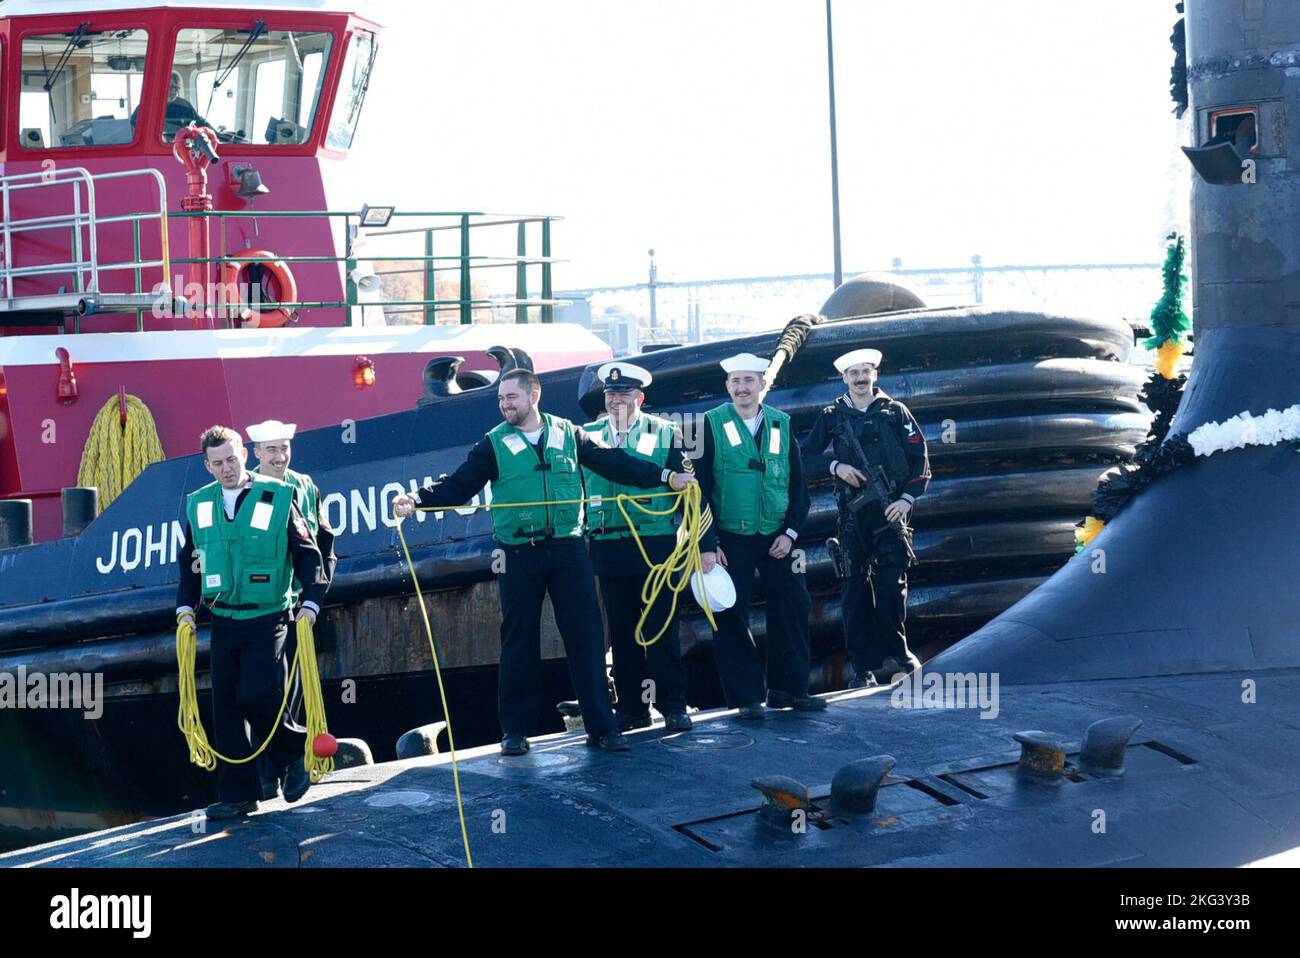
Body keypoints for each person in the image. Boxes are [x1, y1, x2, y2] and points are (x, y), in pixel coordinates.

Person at [392, 369, 697, 755]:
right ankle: (515, 732)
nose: (505, 405)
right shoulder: (493, 444)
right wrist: (417, 499)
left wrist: (666, 476)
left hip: (569, 549)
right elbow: (460, 485)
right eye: (501, 399)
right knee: (519, 641)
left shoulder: (569, 434)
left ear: (533, 396)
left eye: (511, 398)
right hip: (519, 553)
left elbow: (615, 464)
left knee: (586, 639)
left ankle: (602, 727)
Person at [176, 426, 329, 821]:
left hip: (268, 615)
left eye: (231, 459)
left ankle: (291, 755)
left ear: (245, 454)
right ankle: (239, 794)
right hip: (223, 618)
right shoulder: (199, 504)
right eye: (217, 463)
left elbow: (307, 552)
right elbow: (190, 564)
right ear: (206, 466)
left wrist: (311, 599)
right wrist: (185, 609)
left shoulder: (278, 496)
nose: (226, 469)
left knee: (258, 694)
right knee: (225, 709)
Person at [582, 362, 713, 734]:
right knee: (622, 634)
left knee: (660, 629)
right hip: (608, 542)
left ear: (639, 398)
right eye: (610, 395)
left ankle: (673, 705)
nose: (616, 401)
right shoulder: (588, 436)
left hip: (655, 545)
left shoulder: (665, 433)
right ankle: (632, 710)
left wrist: (705, 545)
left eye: (624, 395)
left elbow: (692, 490)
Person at [694, 353, 823, 719]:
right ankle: (746, 698)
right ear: (727, 387)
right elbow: (699, 489)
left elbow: (799, 488)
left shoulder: (782, 425)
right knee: (730, 614)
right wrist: (708, 544)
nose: (741, 389)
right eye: (735, 382)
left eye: (748, 381)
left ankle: (790, 689)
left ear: (762, 385)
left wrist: (791, 533)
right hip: (730, 539)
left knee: (793, 605)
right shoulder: (712, 424)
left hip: (776, 537)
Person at [802, 348, 931, 688]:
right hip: (852, 519)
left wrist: (905, 499)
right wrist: (836, 467)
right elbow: (805, 457)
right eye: (853, 373)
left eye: (866, 371)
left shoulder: (895, 412)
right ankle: (863, 668)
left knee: (891, 589)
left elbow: (920, 460)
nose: (860, 378)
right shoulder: (832, 415)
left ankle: (899, 654)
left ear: (875, 374)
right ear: (844, 378)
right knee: (855, 594)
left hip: (890, 514)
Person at [246, 419, 337, 800]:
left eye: (284, 448)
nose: (280, 456)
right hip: (266, 605)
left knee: (295, 689)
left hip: (301, 604)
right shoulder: (250, 491)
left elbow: (323, 540)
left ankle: (276, 773)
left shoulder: (306, 486)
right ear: (256, 454)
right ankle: (275, 766)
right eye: (271, 450)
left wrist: (318, 590)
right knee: (265, 691)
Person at [131, 71, 209, 138]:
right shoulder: (145, 107)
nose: (174, 92)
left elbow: (202, 125)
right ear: (160, 87)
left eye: (176, 88)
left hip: (182, 149)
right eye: (170, 87)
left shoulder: (185, 106)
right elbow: (133, 131)